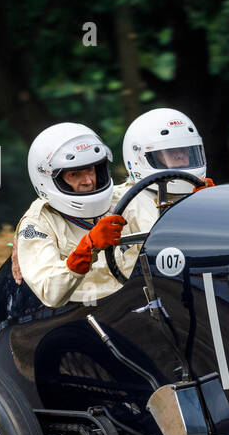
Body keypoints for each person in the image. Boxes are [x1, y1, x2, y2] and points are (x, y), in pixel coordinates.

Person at [13, 122, 159, 307]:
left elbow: (167, 229)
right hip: (83, 318)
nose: (88, 181)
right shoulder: (38, 223)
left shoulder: (125, 198)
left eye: (91, 169)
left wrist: (197, 201)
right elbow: (50, 291)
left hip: (142, 304)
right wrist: (87, 248)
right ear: (49, 180)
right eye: (75, 174)